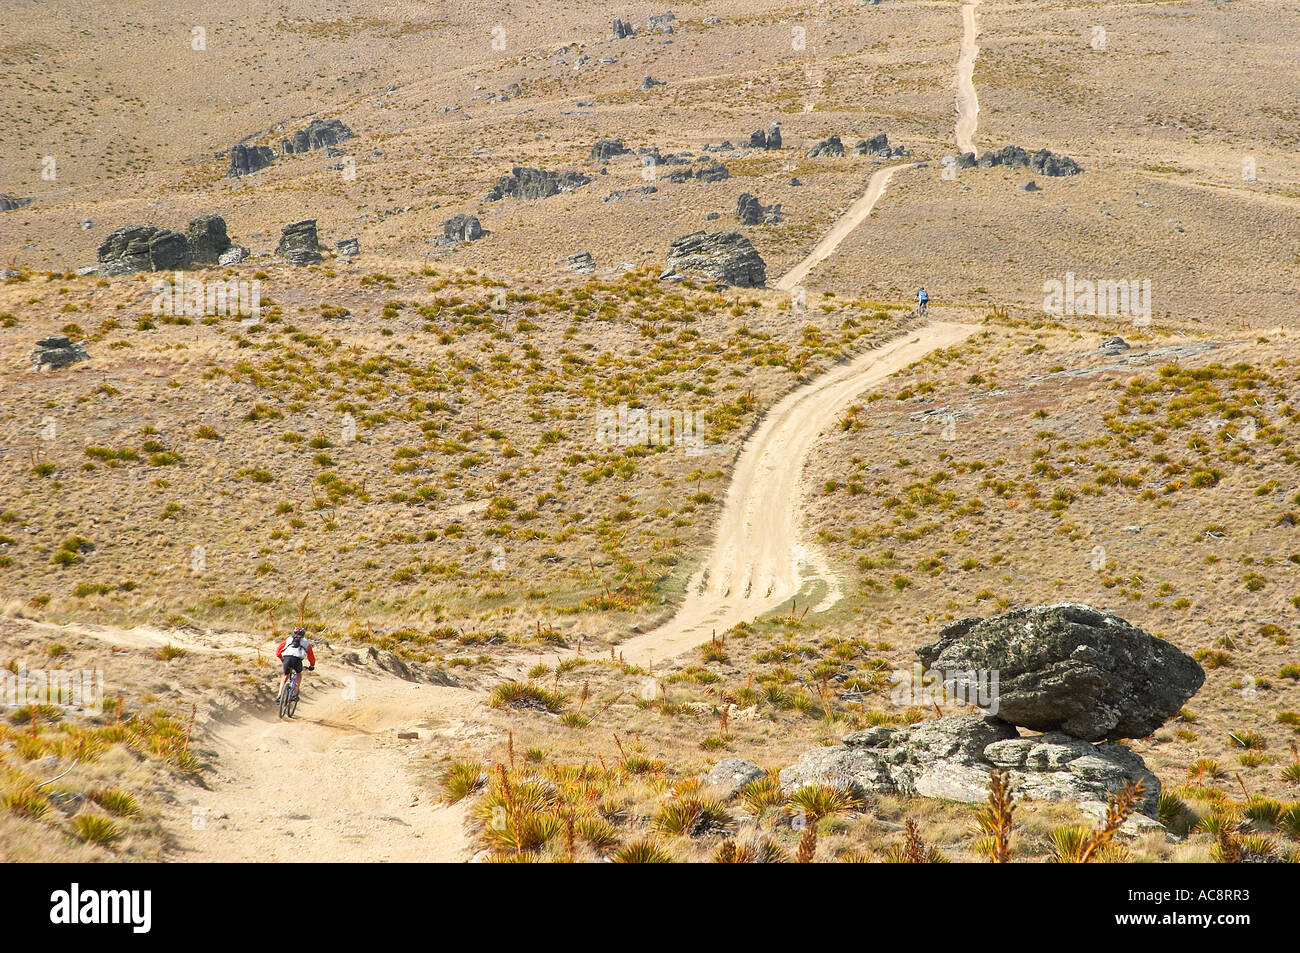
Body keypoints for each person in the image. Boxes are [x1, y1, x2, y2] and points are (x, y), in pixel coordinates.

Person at [276, 626, 316, 701]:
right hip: (297, 660)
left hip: (287, 658)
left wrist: (282, 659)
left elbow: (278, 652)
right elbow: (311, 656)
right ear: (303, 634)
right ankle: (294, 695)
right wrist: (312, 665)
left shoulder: (288, 640)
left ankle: (279, 695)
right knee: (298, 675)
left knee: (285, 676)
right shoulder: (306, 642)